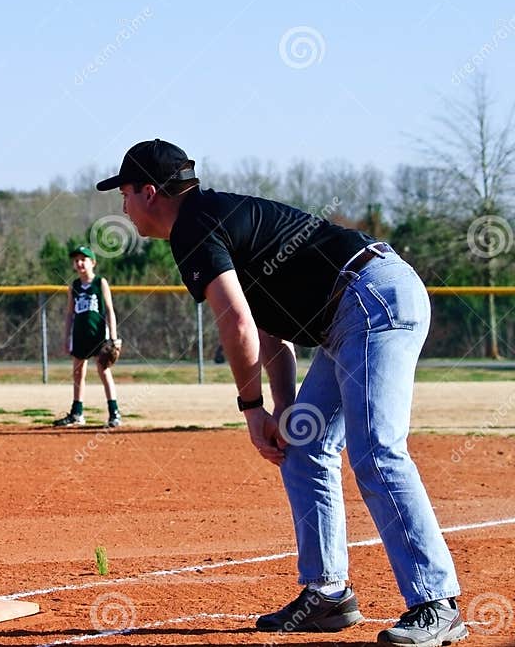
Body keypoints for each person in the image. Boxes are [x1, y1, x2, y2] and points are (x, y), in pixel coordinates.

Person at [97, 139, 466, 646]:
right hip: (352, 311)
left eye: (124, 193)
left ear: (150, 191)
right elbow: (270, 328)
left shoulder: (194, 227)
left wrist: (251, 410)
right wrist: (286, 407)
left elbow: (238, 326)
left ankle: (435, 602)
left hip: (371, 299)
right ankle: (328, 595)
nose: (122, 206)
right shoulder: (213, 219)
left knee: (377, 451)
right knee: (306, 445)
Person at [52, 245, 122, 428]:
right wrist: (66, 337)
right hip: (80, 334)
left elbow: (109, 310)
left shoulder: (100, 282)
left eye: (84, 259)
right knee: (78, 373)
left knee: (103, 371)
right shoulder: (74, 286)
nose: (79, 263)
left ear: (93, 263)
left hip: (98, 335)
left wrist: (113, 338)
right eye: (76, 260)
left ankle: (114, 412)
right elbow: (69, 314)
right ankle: (77, 413)